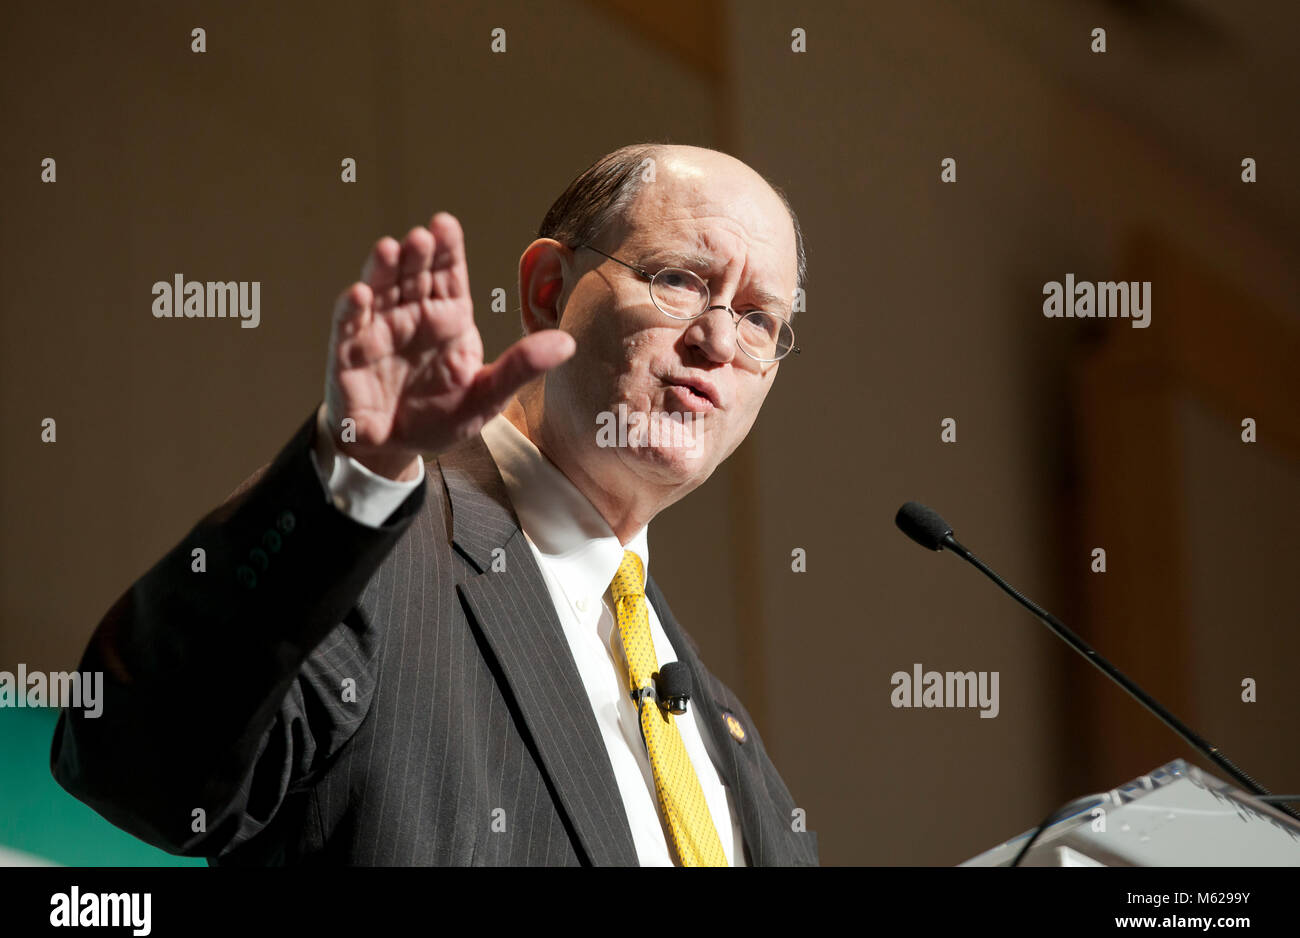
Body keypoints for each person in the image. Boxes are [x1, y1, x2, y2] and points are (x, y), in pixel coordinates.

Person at [50, 142, 818, 866]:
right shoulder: (381, 565)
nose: (719, 340)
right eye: (681, 280)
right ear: (549, 292)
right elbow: (133, 758)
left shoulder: (728, 738)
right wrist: (354, 469)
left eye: (759, 319)